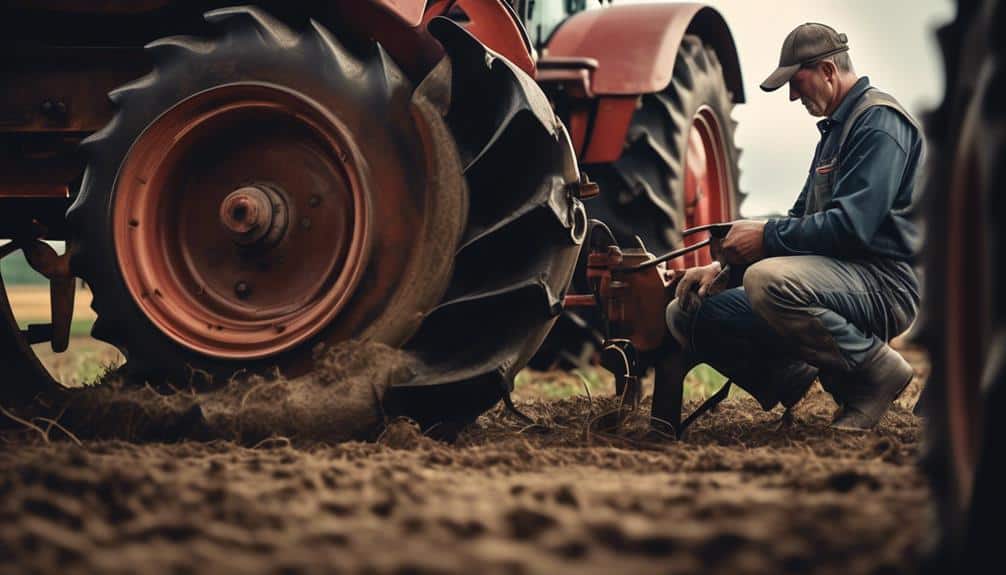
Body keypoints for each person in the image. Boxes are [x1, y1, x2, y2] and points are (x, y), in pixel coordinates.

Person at [664, 23, 923, 430]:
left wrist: (763, 237)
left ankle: (875, 373)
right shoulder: (834, 133)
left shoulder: (879, 125)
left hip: (883, 284)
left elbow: (852, 228)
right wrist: (726, 269)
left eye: (796, 83)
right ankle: (796, 383)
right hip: (834, 281)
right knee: (687, 312)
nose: (792, 95)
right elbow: (802, 219)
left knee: (768, 280)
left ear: (828, 71)